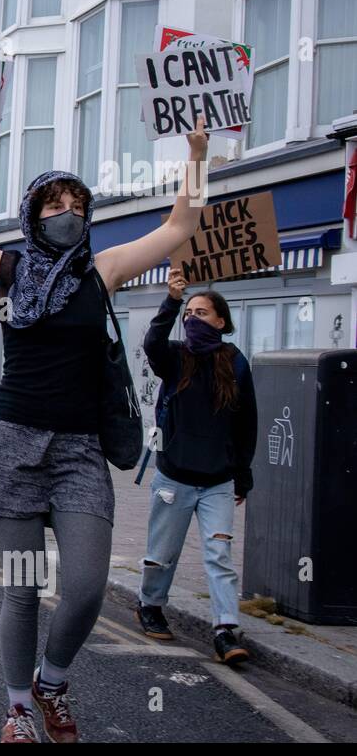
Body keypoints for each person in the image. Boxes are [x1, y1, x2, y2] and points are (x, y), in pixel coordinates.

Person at [0, 120, 207, 742]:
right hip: (14, 440)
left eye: (77, 205)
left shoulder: (102, 271)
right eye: (54, 204)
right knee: (22, 591)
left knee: (86, 587)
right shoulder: (6, 269)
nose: (67, 213)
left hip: (79, 450)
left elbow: (179, 227)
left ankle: (52, 682)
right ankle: (19, 707)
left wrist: (197, 154)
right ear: (33, 214)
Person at [136, 273, 257, 664]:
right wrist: (172, 301)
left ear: (221, 321)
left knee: (219, 554)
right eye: (189, 313)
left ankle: (225, 630)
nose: (193, 319)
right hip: (174, 477)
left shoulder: (235, 361)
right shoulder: (175, 356)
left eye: (201, 313)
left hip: (218, 481)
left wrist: (243, 474)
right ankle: (151, 605)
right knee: (162, 553)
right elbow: (151, 343)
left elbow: (246, 422)